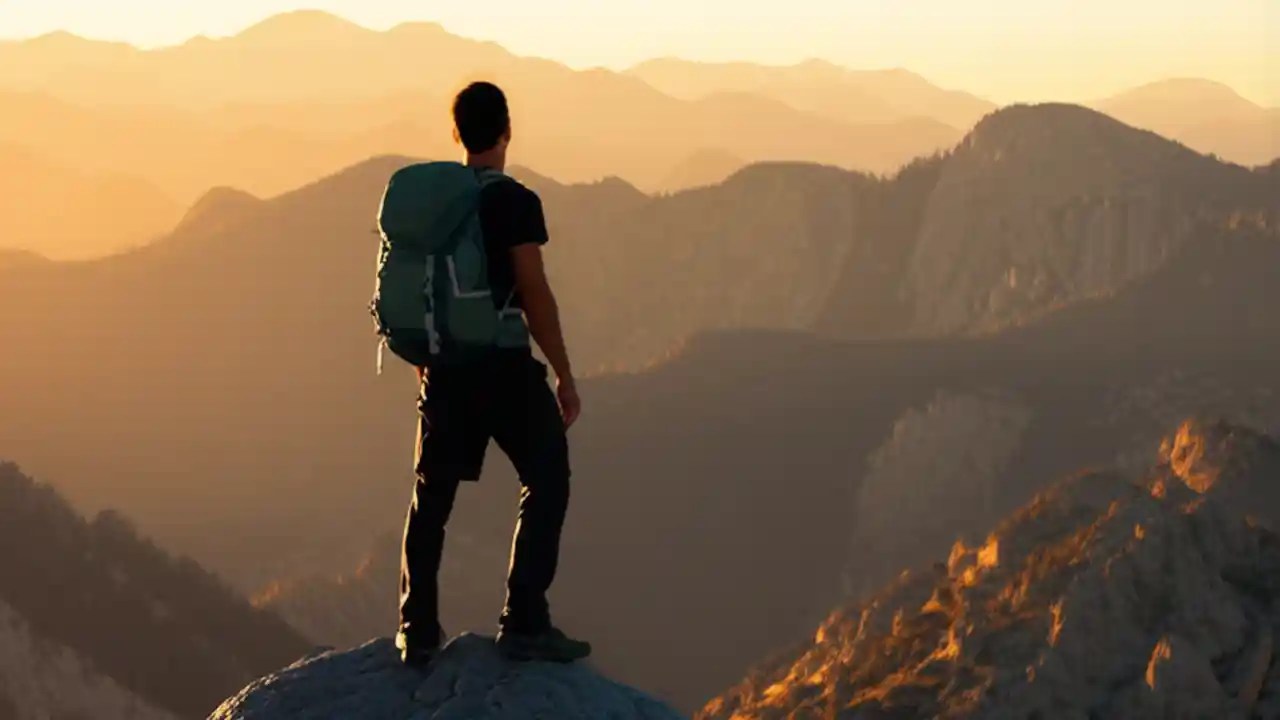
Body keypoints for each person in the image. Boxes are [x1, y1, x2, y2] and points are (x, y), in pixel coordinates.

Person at [396, 81, 591, 667]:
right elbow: (532, 291)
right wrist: (564, 373)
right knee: (547, 474)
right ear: (508, 130)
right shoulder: (514, 201)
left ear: (456, 134)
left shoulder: (431, 202)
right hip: (503, 368)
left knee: (432, 498)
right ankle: (524, 620)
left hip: (443, 368)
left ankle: (417, 629)